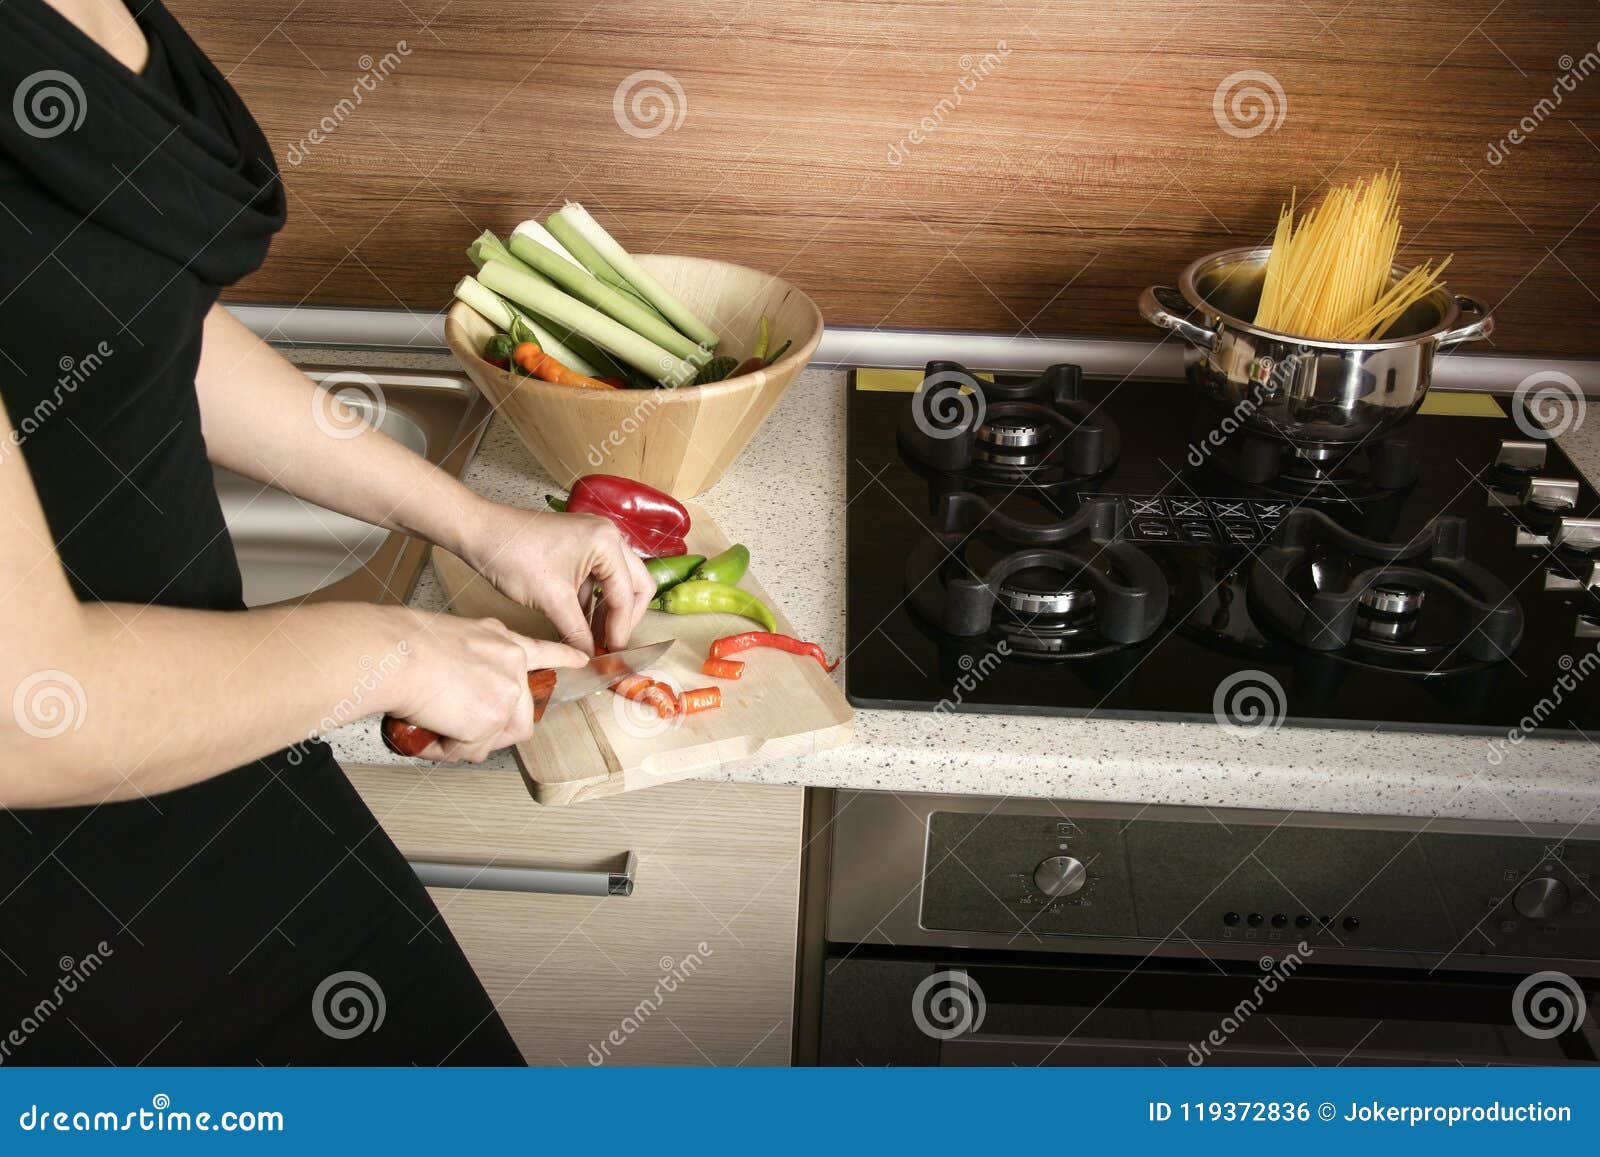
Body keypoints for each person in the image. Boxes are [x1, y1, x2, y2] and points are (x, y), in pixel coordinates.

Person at [0, 0, 655, 1063]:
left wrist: (477, 525)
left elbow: (118, 318)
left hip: (210, 749)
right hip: (45, 894)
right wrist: (395, 650)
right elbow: (23, 717)